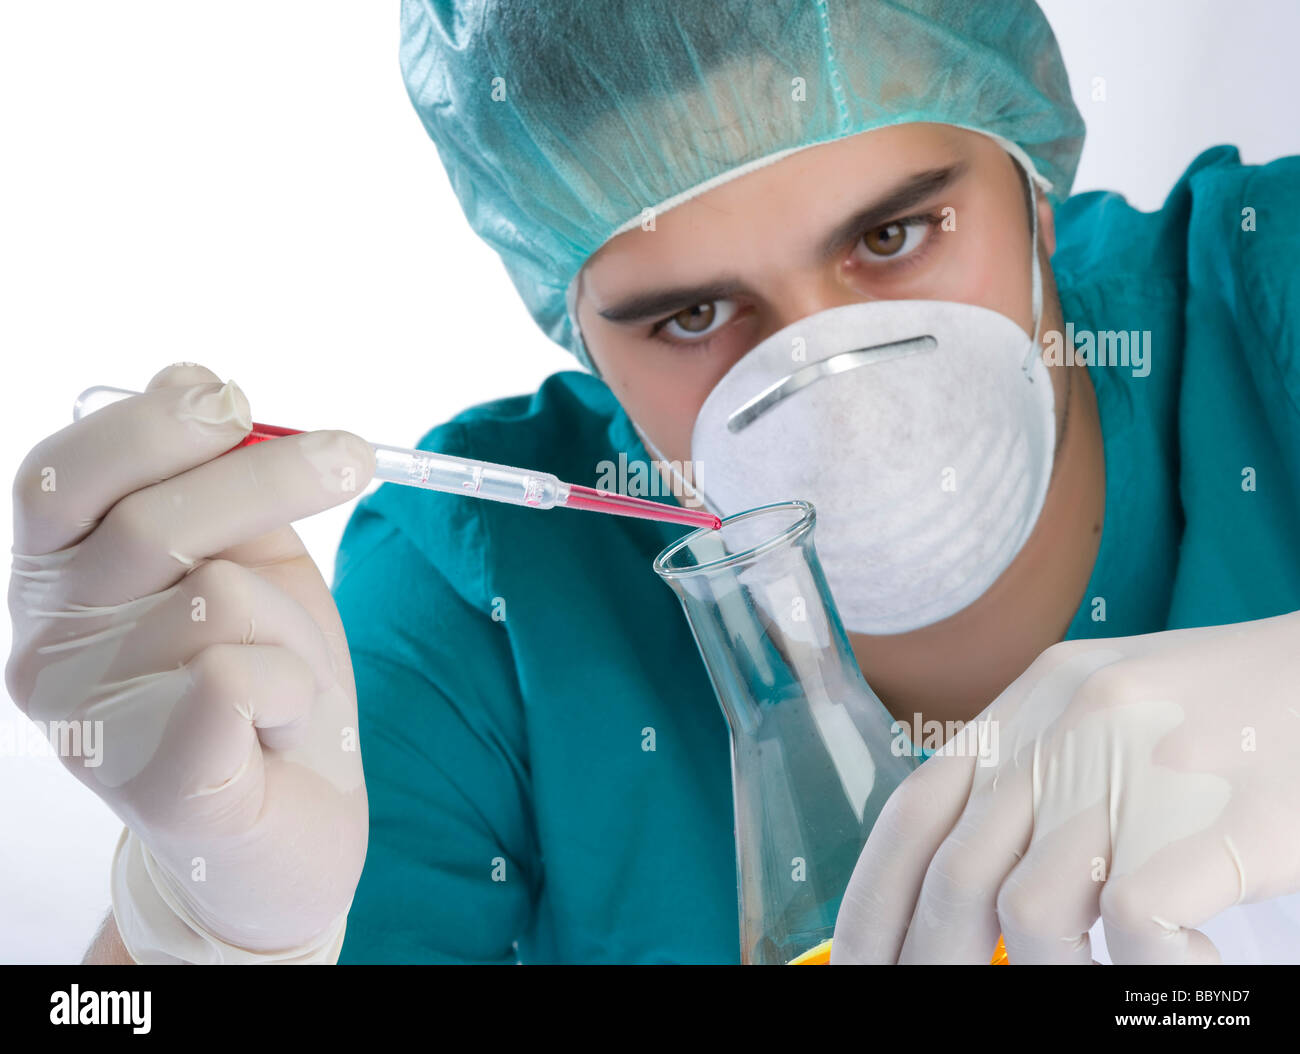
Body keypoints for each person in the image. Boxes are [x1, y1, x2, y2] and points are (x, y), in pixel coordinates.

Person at [9, 0, 1299, 965]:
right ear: (579, 324)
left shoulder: (1268, 296)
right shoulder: (480, 590)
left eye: (892, 235)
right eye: (690, 315)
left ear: (1028, 176)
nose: (823, 383)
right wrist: (199, 933)